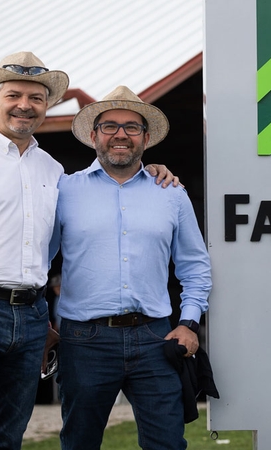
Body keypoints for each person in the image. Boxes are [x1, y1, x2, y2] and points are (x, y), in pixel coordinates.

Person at [0, 53, 176, 449]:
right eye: (14, 95)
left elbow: (47, 249)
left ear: (48, 106)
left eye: (36, 98)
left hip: (29, 319)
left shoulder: (52, 171)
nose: (25, 105)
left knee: (9, 435)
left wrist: (153, 172)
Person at [51, 86, 211, 450]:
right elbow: (36, 261)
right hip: (84, 340)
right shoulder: (64, 191)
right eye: (109, 126)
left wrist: (189, 323)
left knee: (168, 444)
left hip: (156, 338)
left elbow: (195, 266)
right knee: (79, 443)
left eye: (131, 127)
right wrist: (40, 320)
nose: (120, 134)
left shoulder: (171, 192)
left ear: (146, 137)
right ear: (94, 136)